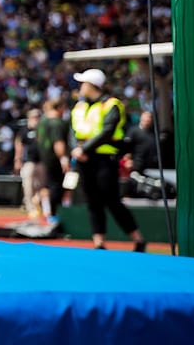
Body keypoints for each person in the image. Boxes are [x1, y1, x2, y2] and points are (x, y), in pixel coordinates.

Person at [70, 68, 146, 251]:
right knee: (92, 201)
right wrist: (76, 149)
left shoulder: (112, 105)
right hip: (84, 159)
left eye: (83, 83)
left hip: (104, 159)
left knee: (111, 200)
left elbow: (107, 131)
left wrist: (83, 149)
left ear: (92, 85)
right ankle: (99, 242)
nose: (80, 87)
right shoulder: (79, 106)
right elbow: (72, 130)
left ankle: (138, 239)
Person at [37, 98, 71, 221]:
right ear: (60, 107)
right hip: (55, 160)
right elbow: (58, 142)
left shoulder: (42, 121)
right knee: (57, 187)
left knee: (48, 185)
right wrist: (63, 158)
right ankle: (54, 213)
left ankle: (47, 210)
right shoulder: (56, 123)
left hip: (45, 158)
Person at [16, 107, 44, 220]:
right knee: (28, 184)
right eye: (33, 117)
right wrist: (17, 159)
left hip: (42, 161)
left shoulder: (43, 129)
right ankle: (30, 207)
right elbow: (19, 144)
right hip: (28, 161)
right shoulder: (24, 130)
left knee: (42, 185)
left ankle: (39, 204)